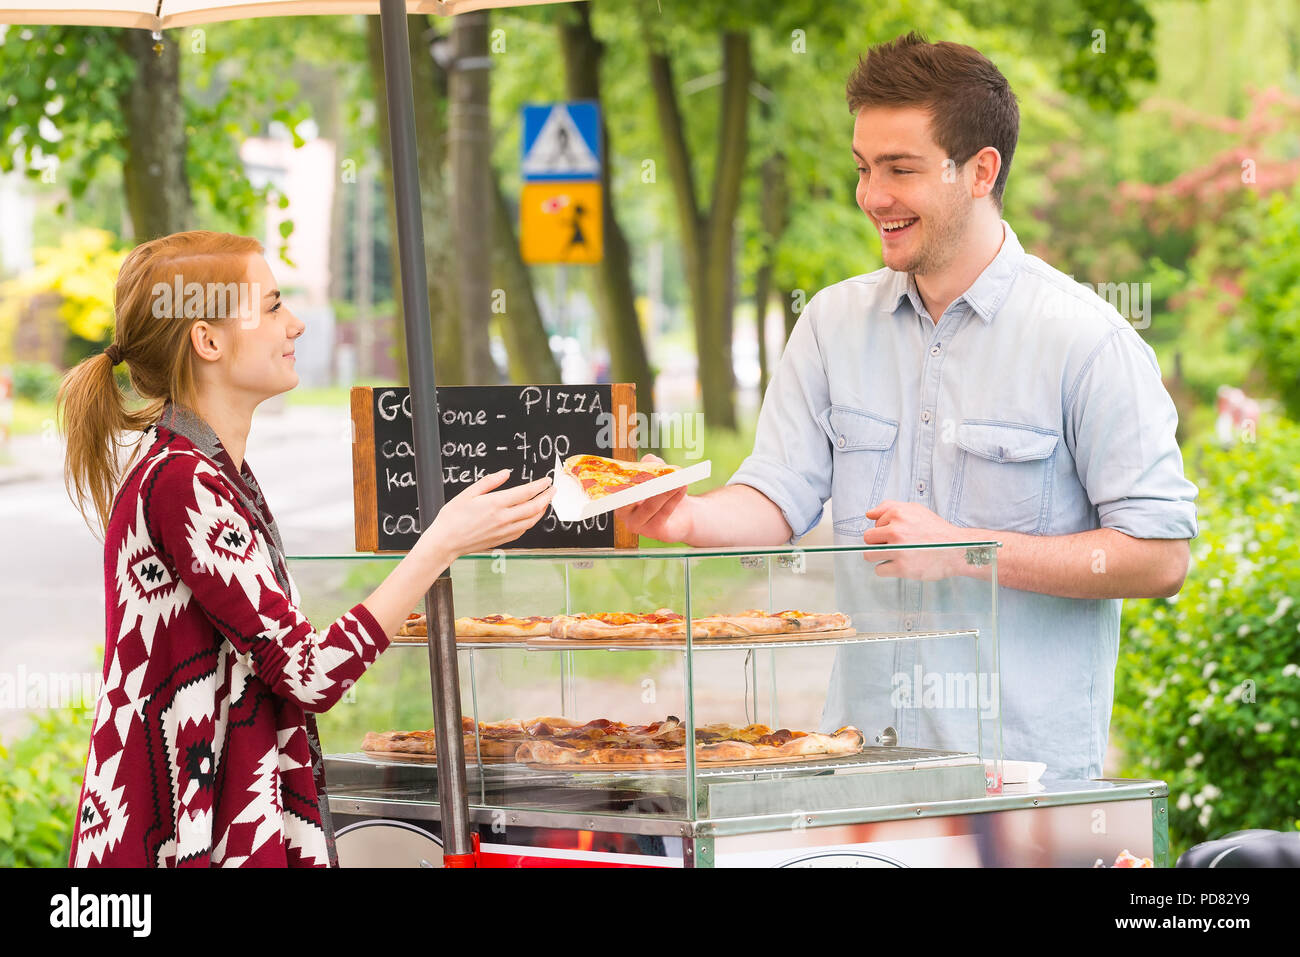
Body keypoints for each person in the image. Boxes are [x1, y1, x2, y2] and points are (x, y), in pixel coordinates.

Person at [620, 33, 1198, 780]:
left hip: (1020, 787)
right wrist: (686, 516)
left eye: (900, 169)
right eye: (863, 168)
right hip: (860, 765)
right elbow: (778, 492)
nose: (871, 196)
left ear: (980, 171)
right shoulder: (829, 325)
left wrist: (963, 548)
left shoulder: (1088, 342)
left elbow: (1160, 555)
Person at [57, 231, 553, 867]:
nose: (294, 324)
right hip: (176, 837)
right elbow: (309, 673)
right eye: (270, 306)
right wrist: (442, 543)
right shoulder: (183, 482)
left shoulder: (202, 469)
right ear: (207, 341)